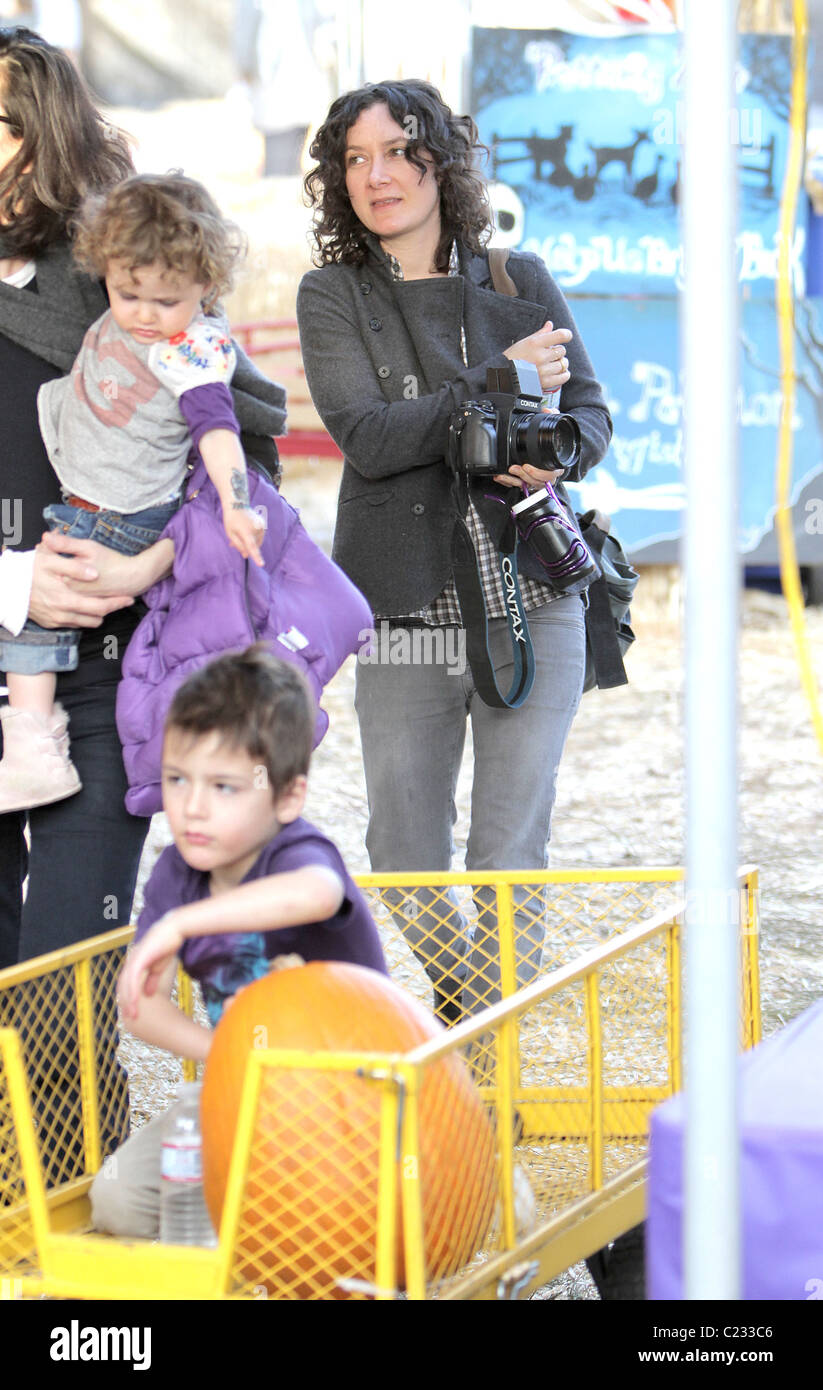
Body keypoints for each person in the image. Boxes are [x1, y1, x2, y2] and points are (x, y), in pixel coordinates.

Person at [297, 79, 612, 1023]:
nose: (376, 175)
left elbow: (590, 416)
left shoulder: (519, 280)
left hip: (532, 597)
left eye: (397, 151)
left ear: (440, 160)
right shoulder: (332, 295)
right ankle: (472, 1000)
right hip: (400, 608)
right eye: (354, 159)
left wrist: (557, 464)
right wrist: (497, 385)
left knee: (509, 851)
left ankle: (493, 1061)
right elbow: (369, 436)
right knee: (400, 853)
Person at [0, 26, 285, 968]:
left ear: (49, 137)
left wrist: (147, 560)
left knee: (65, 972)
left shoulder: (131, 278)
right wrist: (14, 588)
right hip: (15, 635)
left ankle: (69, 1117)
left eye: (2, 123)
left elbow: (248, 464)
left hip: (110, 670)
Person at [90, 647, 388, 1238]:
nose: (192, 807)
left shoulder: (297, 852)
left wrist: (181, 927)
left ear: (286, 797)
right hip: (248, 1090)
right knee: (117, 1200)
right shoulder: (178, 872)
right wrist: (224, 1052)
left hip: (357, 1098)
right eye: (177, 780)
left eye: (224, 787)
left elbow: (317, 894)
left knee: (332, 1223)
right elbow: (142, 1008)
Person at [0, 172, 266, 812]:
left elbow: (219, 433)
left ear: (207, 286)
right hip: (98, 489)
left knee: (40, 605)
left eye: (167, 300)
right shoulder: (122, 301)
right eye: (128, 293)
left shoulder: (191, 350)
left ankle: (33, 744)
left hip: (123, 511)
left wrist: (234, 503)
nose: (146, 315)